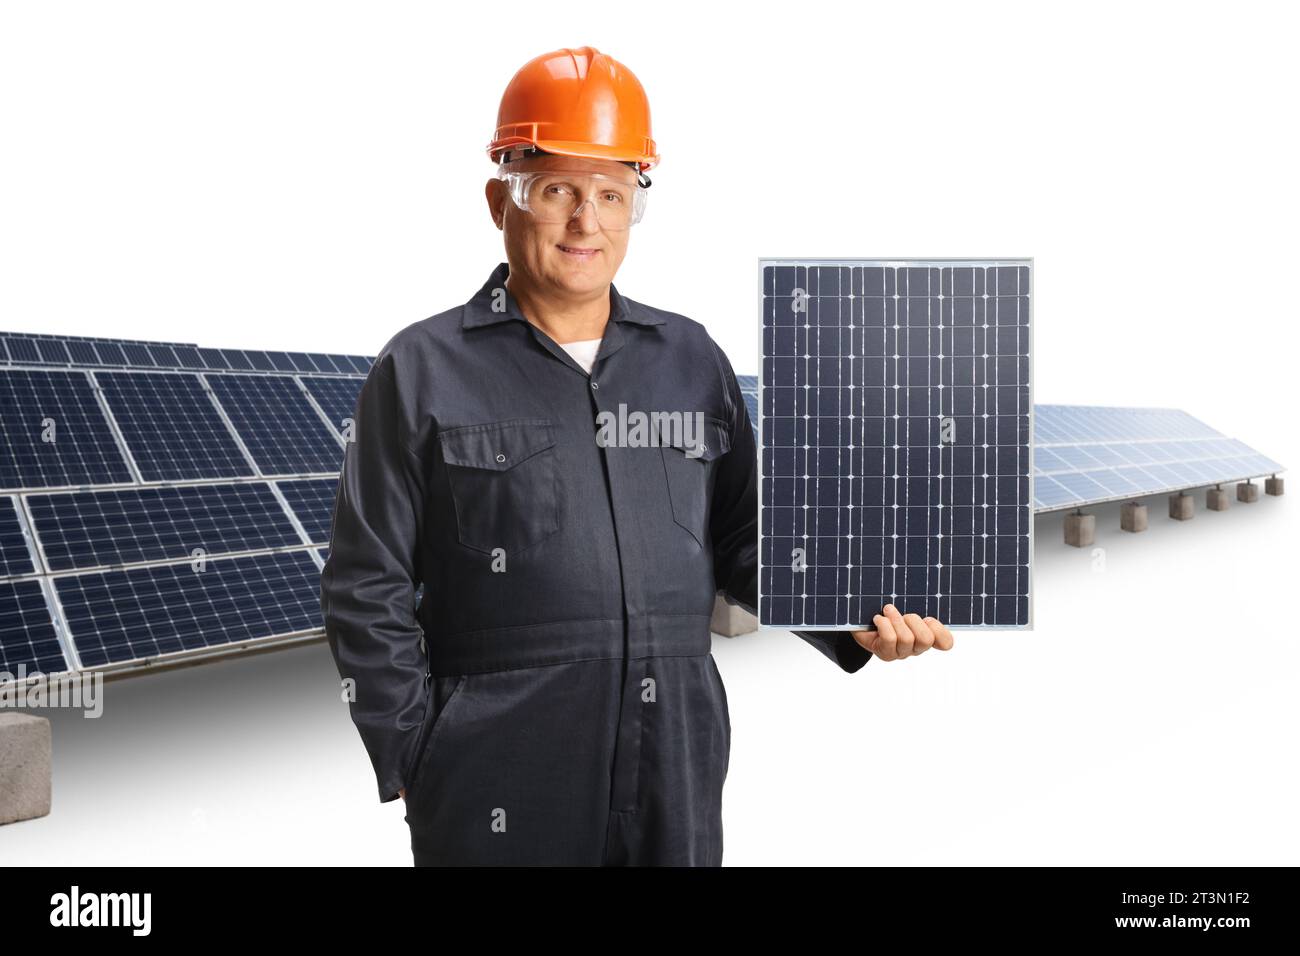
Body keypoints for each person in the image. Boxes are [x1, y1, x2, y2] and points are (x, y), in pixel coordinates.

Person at [321, 45, 953, 867]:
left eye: (612, 194)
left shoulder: (689, 360)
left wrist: (862, 618)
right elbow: (364, 580)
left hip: (675, 758)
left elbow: (746, 538)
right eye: (557, 190)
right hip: (493, 768)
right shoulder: (420, 369)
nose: (587, 221)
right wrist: (413, 750)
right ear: (499, 200)